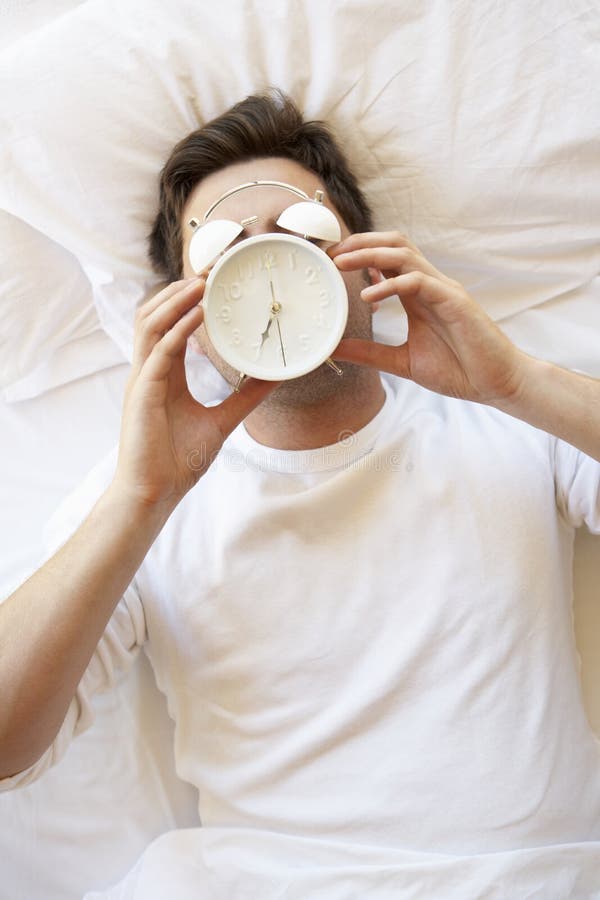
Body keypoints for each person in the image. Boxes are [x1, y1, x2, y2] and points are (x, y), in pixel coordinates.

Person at [1, 89, 600, 897]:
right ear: (186, 309)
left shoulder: (510, 422)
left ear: (363, 259)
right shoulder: (140, 501)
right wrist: (140, 498)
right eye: (223, 255)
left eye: (303, 233)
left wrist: (519, 383)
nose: (270, 266)